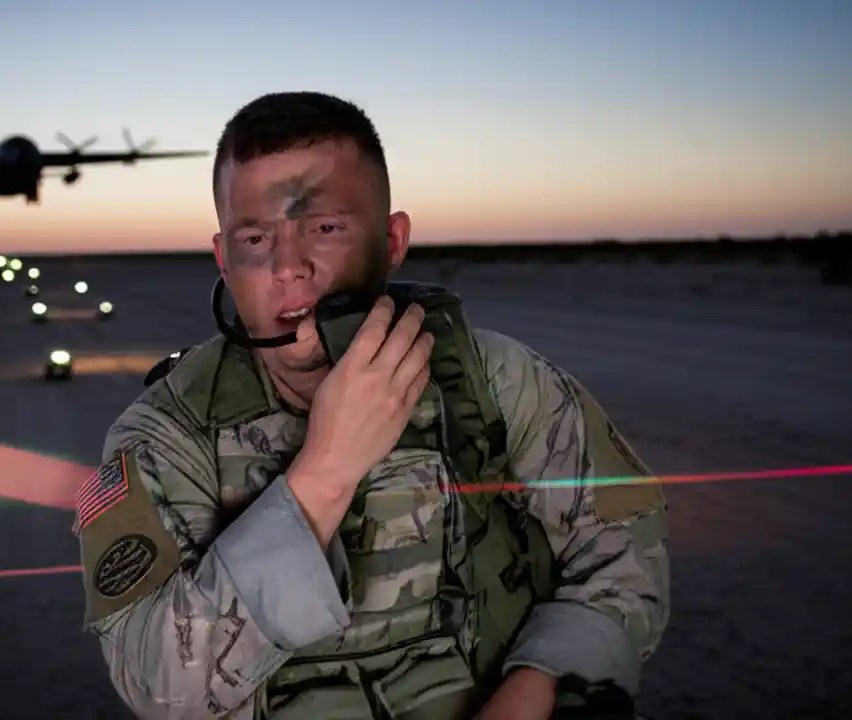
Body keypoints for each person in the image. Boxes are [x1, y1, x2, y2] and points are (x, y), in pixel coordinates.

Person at [74, 91, 670, 720]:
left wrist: (538, 686)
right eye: (255, 238)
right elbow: (158, 687)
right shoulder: (167, 433)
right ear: (224, 258)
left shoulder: (492, 378)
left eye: (324, 228)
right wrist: (326, 469)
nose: (287, 268)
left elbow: (628, 557)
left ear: (392, 241)